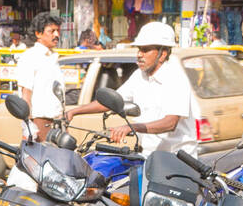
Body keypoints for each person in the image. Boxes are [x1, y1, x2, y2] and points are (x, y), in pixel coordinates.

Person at [67, 21, 193, 154]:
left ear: (163, 54)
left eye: (145, 50)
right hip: (148, 156)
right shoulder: (139, 76)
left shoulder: (176, 78)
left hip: (176, 161)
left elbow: (170, 123)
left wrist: (131, 127)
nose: (139, 54)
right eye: (139, 49)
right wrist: (74, 112)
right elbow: (112, 101)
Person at [15, 11, 65, 142]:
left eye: (58, 31)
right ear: (38, 33)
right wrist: (28, 125)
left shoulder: (52, 57)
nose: (56, 35)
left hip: (57, 122)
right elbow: (26, 93)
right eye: (51, 31)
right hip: (40, 123)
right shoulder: (30, 57)